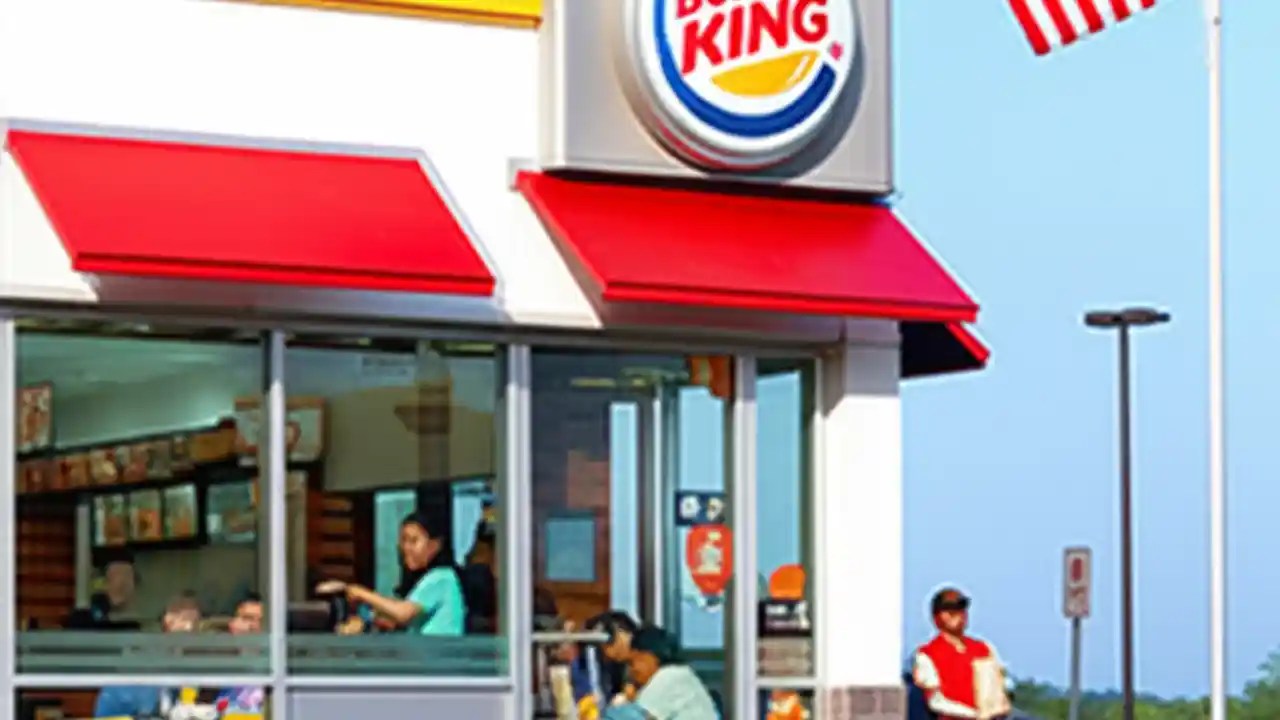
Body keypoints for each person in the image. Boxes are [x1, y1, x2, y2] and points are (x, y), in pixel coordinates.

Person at [317, 511, 465, 635]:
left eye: (414, 541)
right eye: (403, 541)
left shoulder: (442, 577)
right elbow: (393, 618)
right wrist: (366, 618)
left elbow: (402, 613)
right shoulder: (428, 580)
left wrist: (360, 592)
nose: (406, 548)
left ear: (435, 545)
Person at [93, 592, 203, 718]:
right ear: (168, 620)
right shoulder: (142, 659)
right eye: (185, 619)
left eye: (195, 622)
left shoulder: (187, 664)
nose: (190, 627)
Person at [912, 588, 1010, 720]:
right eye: (949, 610)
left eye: (961, 609)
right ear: (937, 617)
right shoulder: (927, 654)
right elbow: (935, 701)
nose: (957, 615)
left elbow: (999, 686)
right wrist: (974, 715)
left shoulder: (984, 649)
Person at [608, 625, 718, 720]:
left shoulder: (669, 677)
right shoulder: (681, 674)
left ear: (648, 657)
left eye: (632, 662)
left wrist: (620, 703)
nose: (631, 671)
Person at [216, 593, 268, 714]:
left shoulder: (274, 664)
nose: (253, 626)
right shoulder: (218, 661)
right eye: (247, 618)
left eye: (260, 620)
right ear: (232, 624)